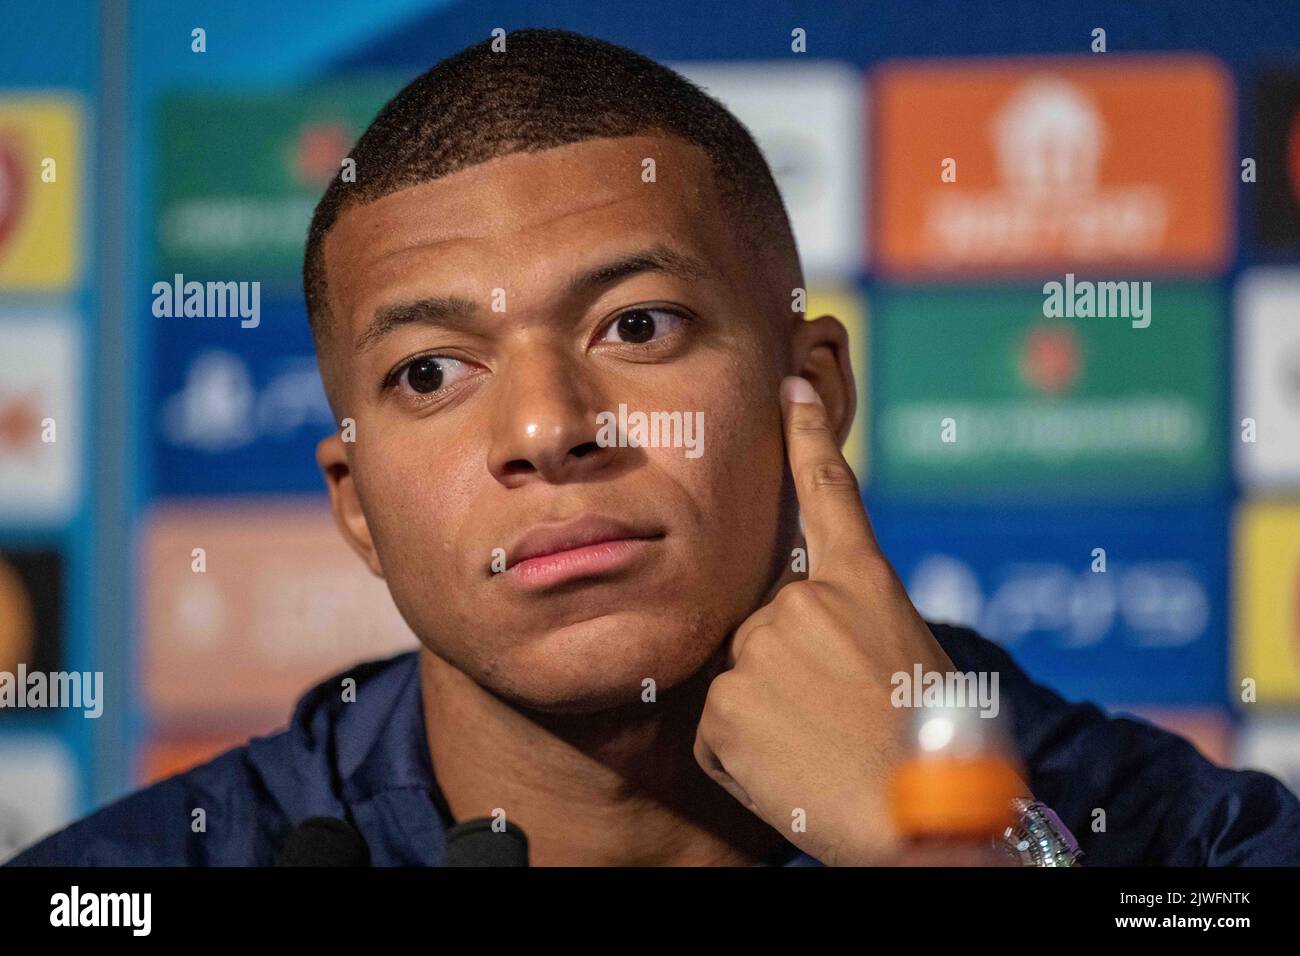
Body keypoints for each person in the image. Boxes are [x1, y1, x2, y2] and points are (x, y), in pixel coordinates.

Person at [11, 28, 1299, 867]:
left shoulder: (1190, 851)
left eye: (636, 325)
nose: (546, 432)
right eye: (430, 373)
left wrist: (956, 846)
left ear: (812, 390)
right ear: (356, 506)